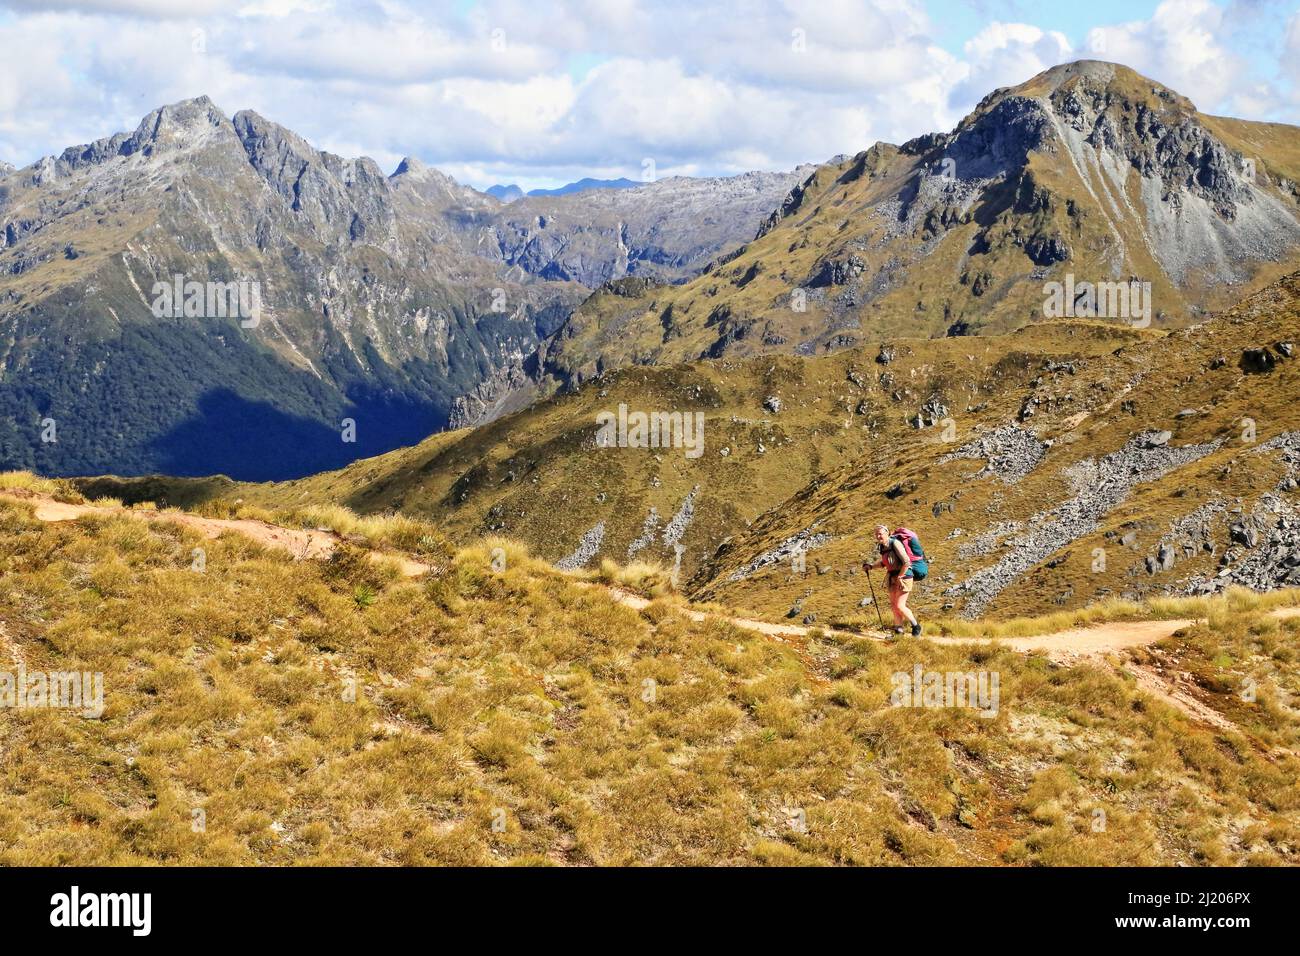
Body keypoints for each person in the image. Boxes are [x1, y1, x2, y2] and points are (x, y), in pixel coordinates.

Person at [865, 524, 922, 637]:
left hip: (904, 577)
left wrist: (900, 577)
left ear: (888, 533)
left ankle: (916, 626)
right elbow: (884, 563)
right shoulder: (883, 547)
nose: (878, 536)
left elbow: (906, 562)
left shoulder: (895, 543)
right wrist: (871, 566)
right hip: (892, 578)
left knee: (900, 605)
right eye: (876, 534)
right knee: (894, 606)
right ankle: (898, 632)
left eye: (880, 533)